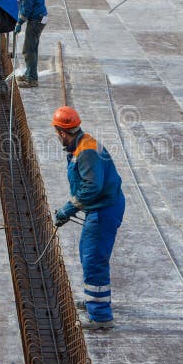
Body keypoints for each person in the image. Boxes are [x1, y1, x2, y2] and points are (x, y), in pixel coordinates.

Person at [52, 106, 125, 330]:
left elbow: (91, 188)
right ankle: (94, 300)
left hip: (104, 209)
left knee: (94, 259)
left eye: (57, 133)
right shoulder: (82, 145)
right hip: (101, 206)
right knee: (87, 253)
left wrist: (67, 210)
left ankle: (101, 317)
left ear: (62, 133)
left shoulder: (86, 151)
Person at [6, 0, 47, 88]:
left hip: (37, 19)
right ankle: (30, 73)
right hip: (37, 17)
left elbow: (27, 8)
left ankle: (32, 79)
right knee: (31, 48)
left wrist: (19, 22)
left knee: (29, 50)